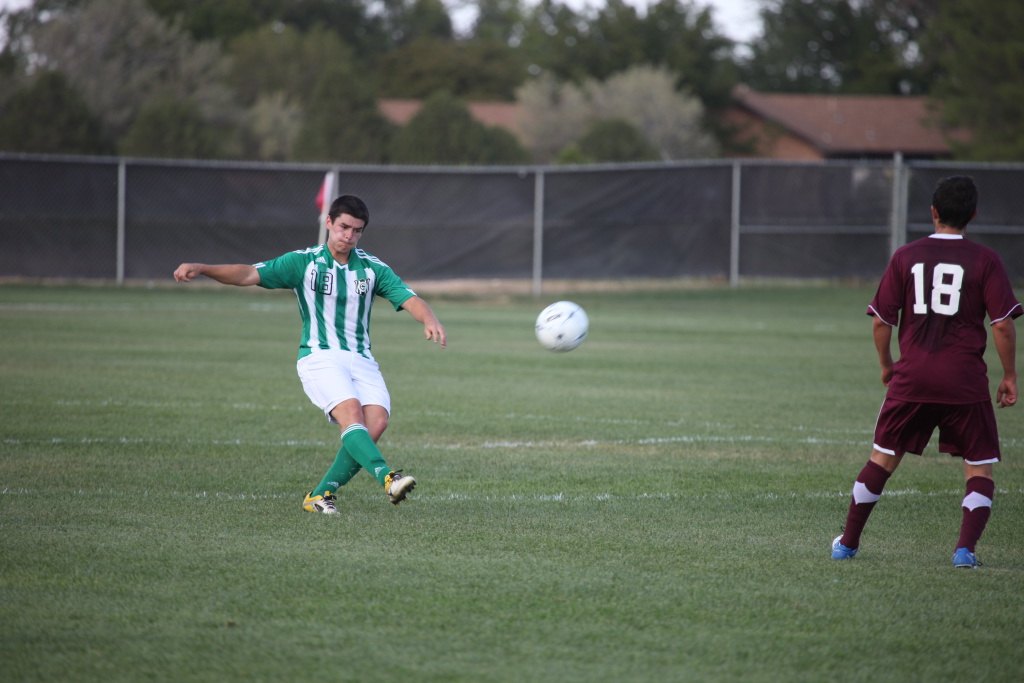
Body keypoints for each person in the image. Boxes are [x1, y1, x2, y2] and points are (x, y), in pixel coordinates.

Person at [173, 194, 447, 514]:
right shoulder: (304, 262)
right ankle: (388, 477)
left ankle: (319, 495)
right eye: (343, 227)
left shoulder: (372, 269)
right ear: (328, 223)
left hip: (361, 358)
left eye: (357, 230)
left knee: (377, 421)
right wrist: (203, 268)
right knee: (351, 415)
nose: (349, 235)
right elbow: (249, 274)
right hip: (320, 356)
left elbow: (409, 298)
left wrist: (429, 318)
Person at [831, 176, 1020, 568]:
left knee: (882, 459)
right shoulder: (986, 260)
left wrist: (887, 365)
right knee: (978, 466)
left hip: (913, 376)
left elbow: (882, 321)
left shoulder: (905, 256)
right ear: (973, 215)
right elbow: (1002, 324)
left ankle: (847, 543)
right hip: (965, 382)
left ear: (933, 212)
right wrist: (1010, 375)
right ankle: (964, 551)